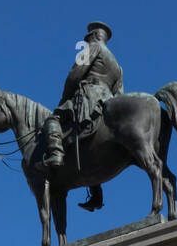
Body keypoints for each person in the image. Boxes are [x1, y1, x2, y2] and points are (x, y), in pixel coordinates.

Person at [37, 22, 124, 212]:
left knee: (52, 120)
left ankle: (56, 155)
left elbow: (74, 76)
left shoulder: (92, 48)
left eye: (88, 38)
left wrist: (63, 100)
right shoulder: (117, 65)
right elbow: (120, 95)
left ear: (93, 36)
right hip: (107, 101)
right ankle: (96, 193)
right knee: (91, 147)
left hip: (89, 97)